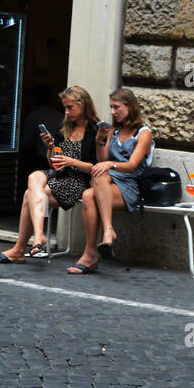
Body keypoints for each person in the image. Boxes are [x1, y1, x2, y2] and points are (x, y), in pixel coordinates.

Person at [0, 85, 102, 265]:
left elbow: (97, 167)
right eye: (65, 108)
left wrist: (72, 162)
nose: (67, 112)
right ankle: (38, 237)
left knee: (28, 195)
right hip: (58, 176)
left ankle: (20, 249)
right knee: (34, 177)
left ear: (83, 104)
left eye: (70, 107)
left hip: (78, 182)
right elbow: (53, 163)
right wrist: (50, 148)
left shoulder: (95, 132)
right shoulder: (65, 129)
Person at [74, 88, 154, 274]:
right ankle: (92, 251)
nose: (112, 112)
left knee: (94, 184)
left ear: (129, 106)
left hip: (130, 186)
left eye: (116, 107)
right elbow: (102, 162)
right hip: (108, 183)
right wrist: (100, 141)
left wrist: (111, 164)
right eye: (110, 107)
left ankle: (99, 243)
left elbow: (133, 165)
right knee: (87, 195)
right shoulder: (113, 131)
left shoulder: (143, 133)